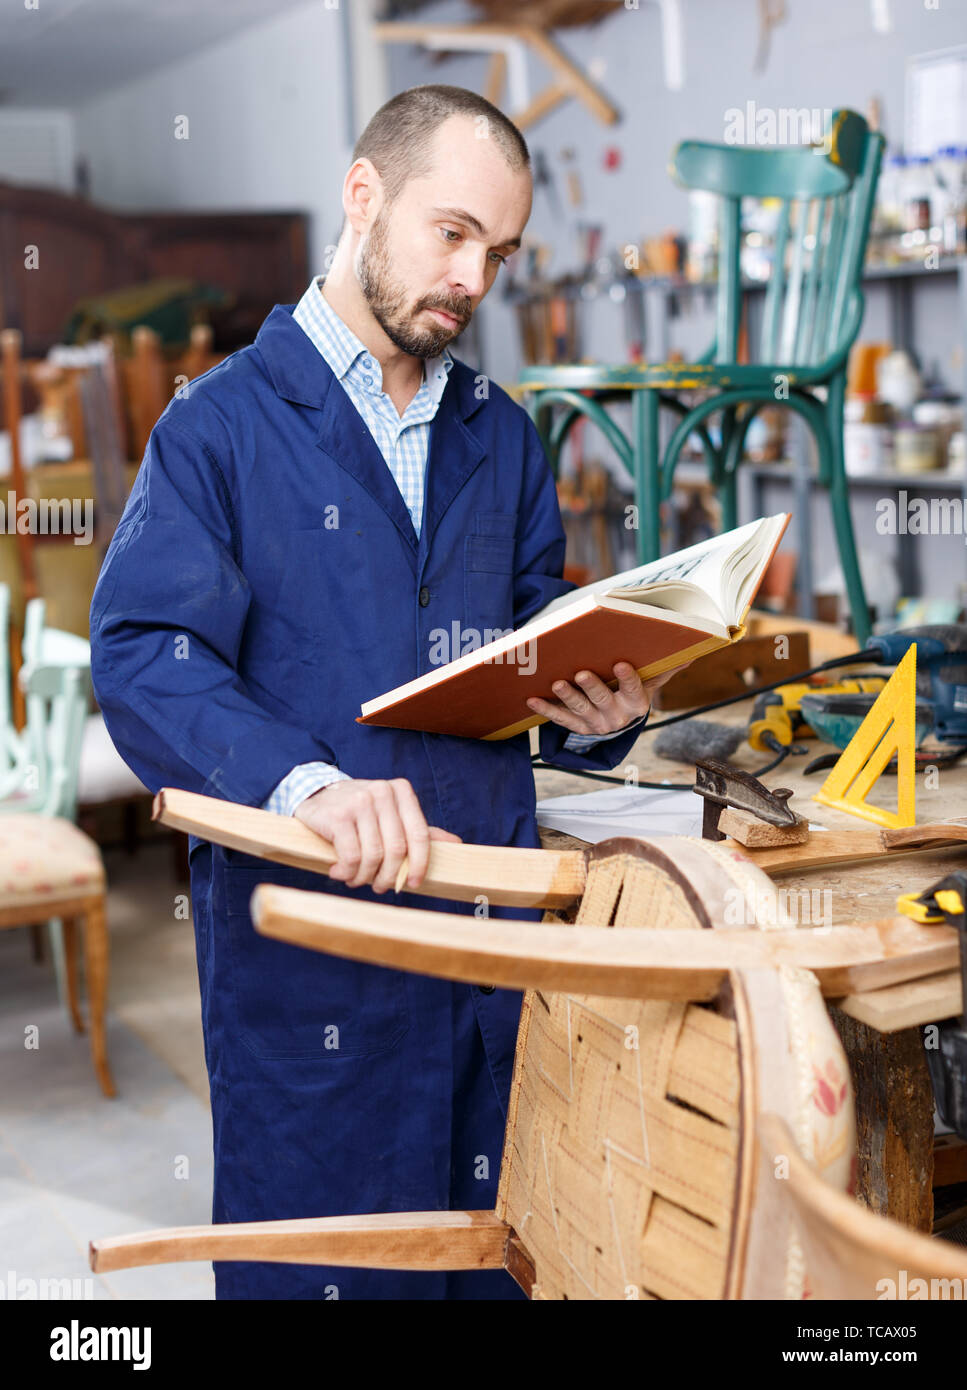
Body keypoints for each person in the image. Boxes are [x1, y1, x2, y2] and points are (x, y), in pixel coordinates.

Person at [90, 84, 677, 1300]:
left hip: (486, 942)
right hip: (318, 954)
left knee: (500, 1259)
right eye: (451, 234)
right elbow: (148, 655)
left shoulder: (502, 437)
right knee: (327, 1268)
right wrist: (304, 784)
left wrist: (589, 717)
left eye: (499, 254)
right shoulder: (218, 431)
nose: (473, 279)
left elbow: (513, 661)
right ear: (363, 197)